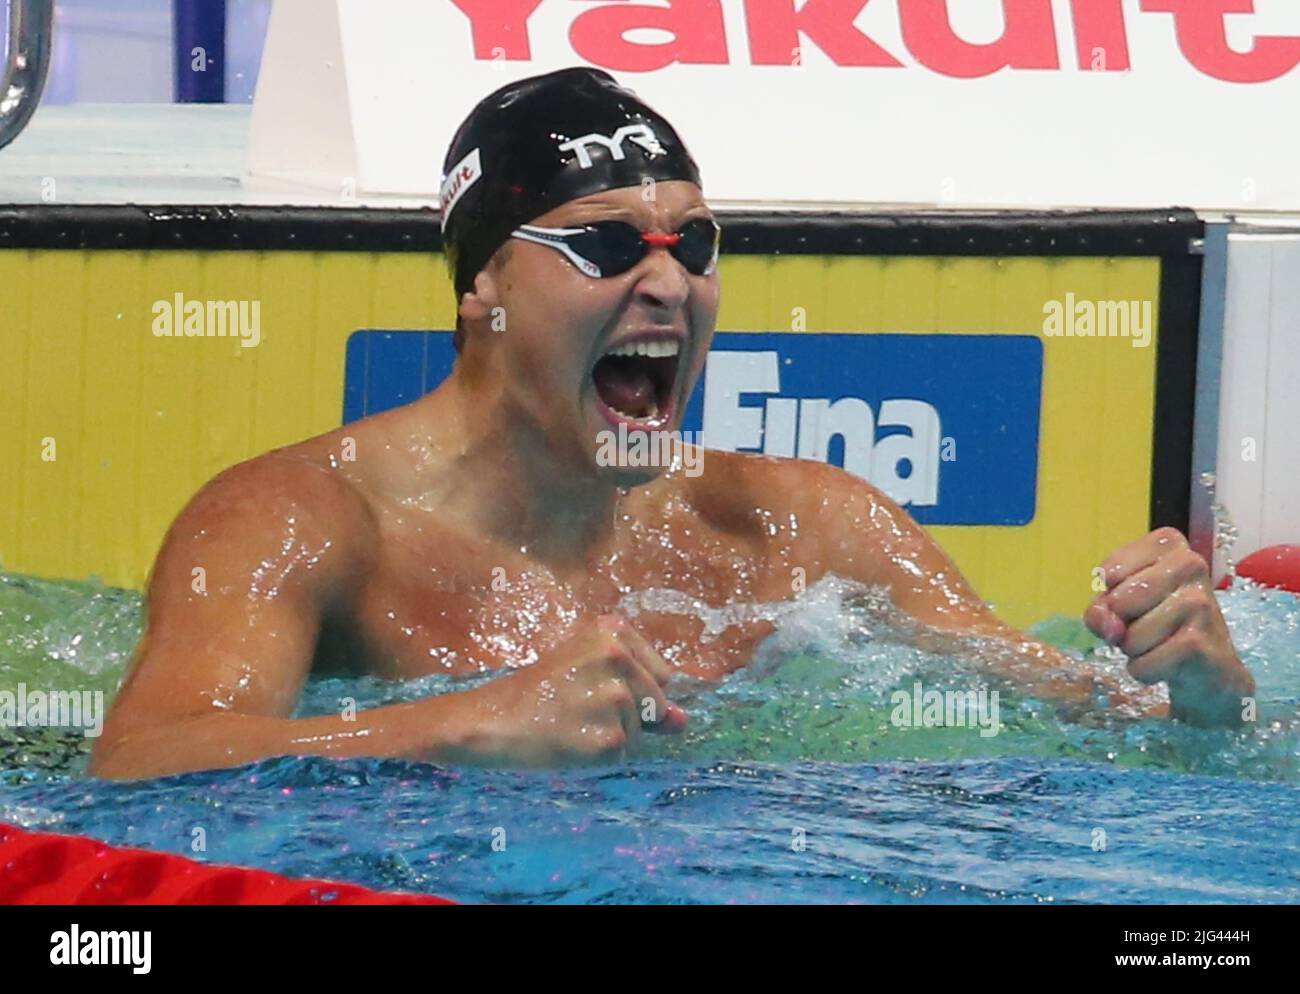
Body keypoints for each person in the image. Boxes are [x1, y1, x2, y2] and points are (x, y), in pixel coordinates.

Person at [90, 68, 1254, 780]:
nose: (669, 284)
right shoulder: (300, 521)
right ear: (482, 286)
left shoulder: (804, 527)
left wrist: (1196, 691)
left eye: (691, 245)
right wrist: (457, 725)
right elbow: (140, 759)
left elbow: (1081, 718)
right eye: (604, 244)